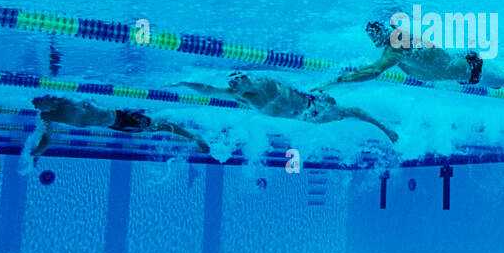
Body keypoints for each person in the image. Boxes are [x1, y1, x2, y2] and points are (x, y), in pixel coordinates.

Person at [317, 20, 504, 113]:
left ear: (388, 30)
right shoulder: (394, 51)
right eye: (374, 37)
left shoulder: (399, 43)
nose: (377, 40)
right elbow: (370, 67)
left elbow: (372, 71)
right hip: (462, 73)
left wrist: (334, 82)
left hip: (473, 69)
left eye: (378, 34)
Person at [177, 74, 398, 143]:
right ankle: (386, 129)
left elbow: (295, 86)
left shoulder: (264, 80)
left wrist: (317, 93)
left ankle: (385, 127)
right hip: (307, 115)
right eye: (232, 81)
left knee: (353, 111)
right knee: (351, 112)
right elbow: (207, 89)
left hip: (311, 104)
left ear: (245, 77)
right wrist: (184, 83)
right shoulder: (240, 95)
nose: (234, 83)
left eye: (237, 78)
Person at [25, 95, 210, 168]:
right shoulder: (47, 117)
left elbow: (89, 98)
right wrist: (36, 155)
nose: (36, 104)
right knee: (156, 127)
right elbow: (47, 139)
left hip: (121, 114)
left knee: (159, 126)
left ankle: (193, 136)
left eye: (39, 100)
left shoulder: (65, 100)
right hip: (115, 125)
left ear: (48, 98)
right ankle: (191, 133)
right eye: (36, 103)